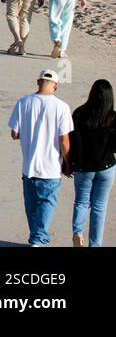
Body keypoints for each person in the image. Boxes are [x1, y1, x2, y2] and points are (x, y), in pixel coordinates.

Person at [9, 69, 73, 246]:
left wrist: (31, 134)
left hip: (29, 167)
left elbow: (14, 133)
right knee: (46, 204)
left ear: (38, 82)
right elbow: (64, 139)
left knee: (32, 207)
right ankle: (38, 240)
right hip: (51, 167)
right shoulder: (62, 107)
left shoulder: (23, 103)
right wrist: (68, 162)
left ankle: (36, 238)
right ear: (56, 86)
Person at [67, 79, 116, 247]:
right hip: (106, 167)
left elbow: (71, 140)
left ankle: (77, 233)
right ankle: (95, 245)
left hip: (83, 166)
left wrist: (68, 163)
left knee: (81, 202)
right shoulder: (113, 117)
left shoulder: (79, 113)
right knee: (99, 207)